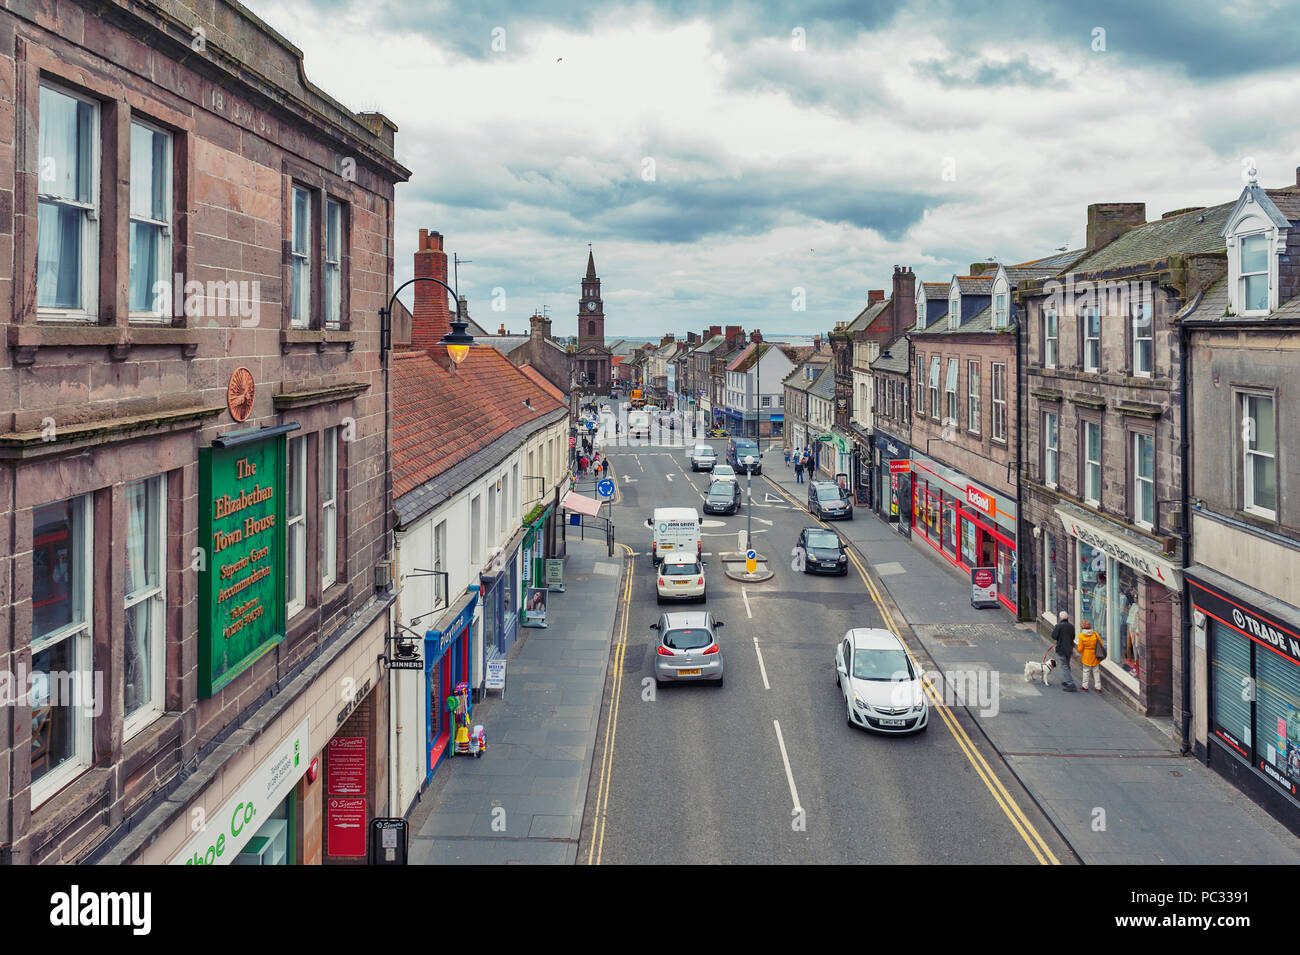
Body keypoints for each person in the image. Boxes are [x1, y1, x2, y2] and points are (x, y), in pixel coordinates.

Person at [1052, 611, 1077, 691]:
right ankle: (1067, 680)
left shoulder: (1058, 626)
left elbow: (1054, 636)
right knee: (1067, 664)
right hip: (1069, 648)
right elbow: (1073, 636)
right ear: (1067, 618)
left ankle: (1070, 683)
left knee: (1064, 666)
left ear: (1060, 618)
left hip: (1061, 649)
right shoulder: (1071, 626)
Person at [1077, 618, 1103, 693]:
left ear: (1082, 627)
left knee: (1086, 671)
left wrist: (1079, 650)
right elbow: (1101, 644)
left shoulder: (1081, 635)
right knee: (1096, 671)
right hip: (1095, 656)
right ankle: (1098, 687)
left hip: (1086, 656)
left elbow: (1080, 648)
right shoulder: (1095, 634)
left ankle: (1085, 686)